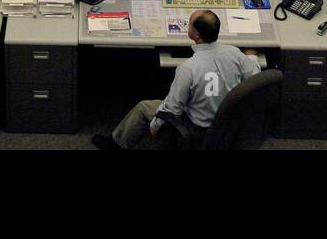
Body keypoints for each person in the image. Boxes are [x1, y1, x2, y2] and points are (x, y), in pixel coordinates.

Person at [93, 10, 260, 150]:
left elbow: (172, 109)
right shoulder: (234, 53)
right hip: (228, 125)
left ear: (195, 34)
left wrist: (155, 126)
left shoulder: (188, 68)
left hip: (197, 128)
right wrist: (251, 57)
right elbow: (254, 77)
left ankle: (116, 144)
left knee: (144, 107)